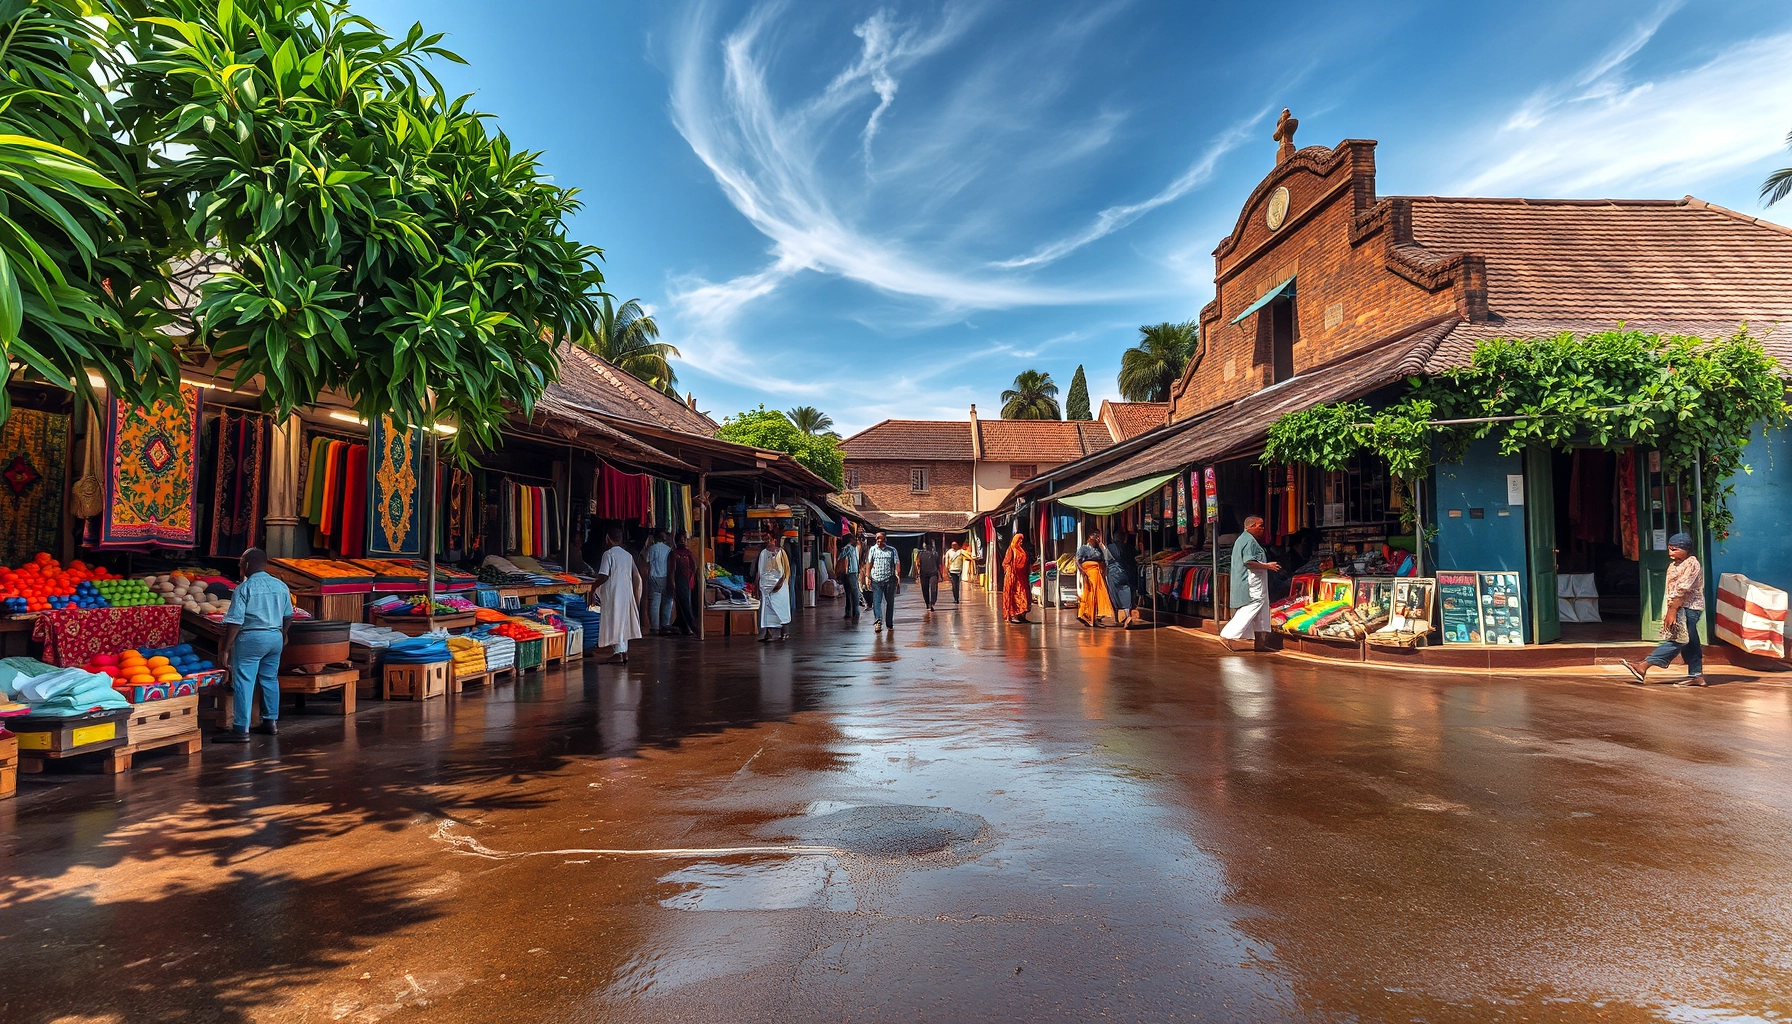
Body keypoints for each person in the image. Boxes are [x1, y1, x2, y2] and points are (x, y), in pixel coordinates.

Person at [214, 547, 292, 742]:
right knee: (270, 679)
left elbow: (235, 621)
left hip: (252, 638)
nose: (240, 567)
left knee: (243, 681)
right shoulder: (280, 585)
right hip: (274, 637)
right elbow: (288, 615)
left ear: (246, 565)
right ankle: (270, 722)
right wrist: (283, 633)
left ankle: (241, 729)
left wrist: (225, 648)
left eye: (241, 564)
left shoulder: (244, 588)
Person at [1625, 532, 1706, 686]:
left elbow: (1683, 588)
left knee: (1678, 639)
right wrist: (1668, 608)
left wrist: (1672, 610)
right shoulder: (1673, 565)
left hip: (1688, 608)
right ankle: (1696, 675)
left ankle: (1645, 665)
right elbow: (1670, 589)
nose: (1670, 553)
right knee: (1691, 641)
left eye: (1674, 549)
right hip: (1677, 606)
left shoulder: (1692, 563)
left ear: (1686, 549)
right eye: (1669, 549)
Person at [1221, 516, 1280, 650]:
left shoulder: (1247, 540)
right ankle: (1227, 634)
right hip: (1251, 582)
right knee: (1253, 605)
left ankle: (1260, 643)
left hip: (1257, 581)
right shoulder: (1248, 541)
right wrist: (1268, 566)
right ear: (1251, 526)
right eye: (1260, 525)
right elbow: (1248, 561)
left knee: (1262, 611)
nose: (1263, 528)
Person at [596, 526, 642, 664]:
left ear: (607, 538)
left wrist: (594, 587)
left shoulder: (608, 554)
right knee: (623, 620)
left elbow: (604, 576)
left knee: (614, 619)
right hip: (625, 591)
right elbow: (637, 576)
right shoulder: (628, 556)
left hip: (613, 591)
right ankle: (624, 651)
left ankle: (617, 653)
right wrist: (635, 594)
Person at [1075, 531, 1117, 628]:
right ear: (1090, 537)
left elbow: (1104, 559)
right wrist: (1083, 572)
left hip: (1098, 573)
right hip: (1089, 573)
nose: (1097, 537)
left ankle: (1094, 617)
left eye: (1098, 535)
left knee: (1098, 595)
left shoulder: (1099, 548)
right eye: (1095, 535)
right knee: (1090, 594)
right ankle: (1089, 616)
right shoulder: (1083, 548)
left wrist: (1104, 569)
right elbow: (1077, 560)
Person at [756, 532, 793, 642]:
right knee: (767, 609)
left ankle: (785, 631)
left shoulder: (781, 553)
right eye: (765, 539)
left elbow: (785, 571)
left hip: (779, 587)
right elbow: (760, 569)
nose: (767, 541)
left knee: (781, 608)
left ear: (775, 540)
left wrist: (780, 584)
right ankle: (769, 633)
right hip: (765, 586)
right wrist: (757, 584)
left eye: (769, 539)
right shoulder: (763, 553)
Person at [863, 531, 902, 631]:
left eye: (882, 540)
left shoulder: (892, 550)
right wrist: (867, 577)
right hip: (876, 579)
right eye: (878, 540)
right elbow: (869, 563)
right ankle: (878, 621)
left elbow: (897, 563)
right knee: (877, 601)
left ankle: (889, 623)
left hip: (889, 579)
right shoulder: (872, 549)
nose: (880, 542)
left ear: (885, 540)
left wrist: (897, 575)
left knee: (890, 602)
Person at [1104, 531, 1139, 629]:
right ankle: (1128, 616)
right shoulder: (1130, 548)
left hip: (1114, 574)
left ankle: (1116, 618)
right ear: (1124, 538)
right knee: (1127, 594)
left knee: (1114, 595)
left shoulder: (1109, 547)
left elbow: (1106, 561)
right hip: (1127, 573)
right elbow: (1134, 559)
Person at [669, 531, 699, 636]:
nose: (683, 541)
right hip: (680, 581)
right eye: (681, 539)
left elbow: (694, 566)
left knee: (686, 603)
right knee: (684, 604)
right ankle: (691, 626)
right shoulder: (674, 553)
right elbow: (672, 570)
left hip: (687, 581)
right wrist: (673, 584)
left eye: (684, 539)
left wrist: (691, 576)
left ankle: (686, 627)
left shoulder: (688, 553)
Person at [644, 529, 673, 636]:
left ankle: (655, 627)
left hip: (654, 577)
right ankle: (665, 624)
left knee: (655, 602)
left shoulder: (651, 548)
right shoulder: (669, 550)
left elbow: (647, 563)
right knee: (667, 602)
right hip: (666, 577)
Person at [1001, 532, 1032, 624]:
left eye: (1022, 540)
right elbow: (1005, 563)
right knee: (1013, 596)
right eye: (1019, 540)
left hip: (1021, 578)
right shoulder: (1011, 550)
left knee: (1024, 596)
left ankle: (1021, 615)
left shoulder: (1022, 550)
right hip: (1012, 577)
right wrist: (1010, 572)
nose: (1021, 542)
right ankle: (1013, 615)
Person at [838, 535, 861, 621]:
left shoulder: (847, 547)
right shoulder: (856, 548)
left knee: (849, 592)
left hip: (848, 572)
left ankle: (850, 612)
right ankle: (855, 611)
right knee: (854, 592)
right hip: (854, 571)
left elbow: (841, 556)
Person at [916, 541, 942, 612]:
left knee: (934, 588)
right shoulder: (920, 554)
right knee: (925, 589)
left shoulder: (935, 554)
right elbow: (917, 564)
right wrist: (917, 574)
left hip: (933, 573)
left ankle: (932, 603)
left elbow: (938, 564)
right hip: (923, 574)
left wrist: (939, 574)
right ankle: (927, 603)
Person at [946, 540, 971, 605]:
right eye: (953, 545)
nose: (954, 546)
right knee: (954, 585)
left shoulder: (961, 551)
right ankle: (955, 598)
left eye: (955, 545)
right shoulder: (949, 552)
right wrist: (947, 569)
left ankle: (957, 598)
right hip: (952, 571)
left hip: (959, 570)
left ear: (957, 546)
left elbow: (969, 555)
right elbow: (946, 561)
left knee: (958, 585)